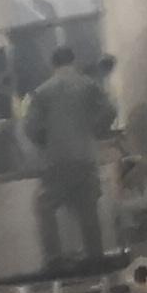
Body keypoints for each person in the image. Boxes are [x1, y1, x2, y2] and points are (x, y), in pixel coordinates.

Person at [18, 45, 116, 273]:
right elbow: (110, 110)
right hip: (85, 155)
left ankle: (54, 259)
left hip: (58, 159)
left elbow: (30, 127)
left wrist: (44, 142)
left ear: (53, 65)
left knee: (44, 205)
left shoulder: (42, 91)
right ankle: (95, 257)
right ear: (73, 60)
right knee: (87, 206)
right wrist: (95, 130)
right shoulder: (88, 85)